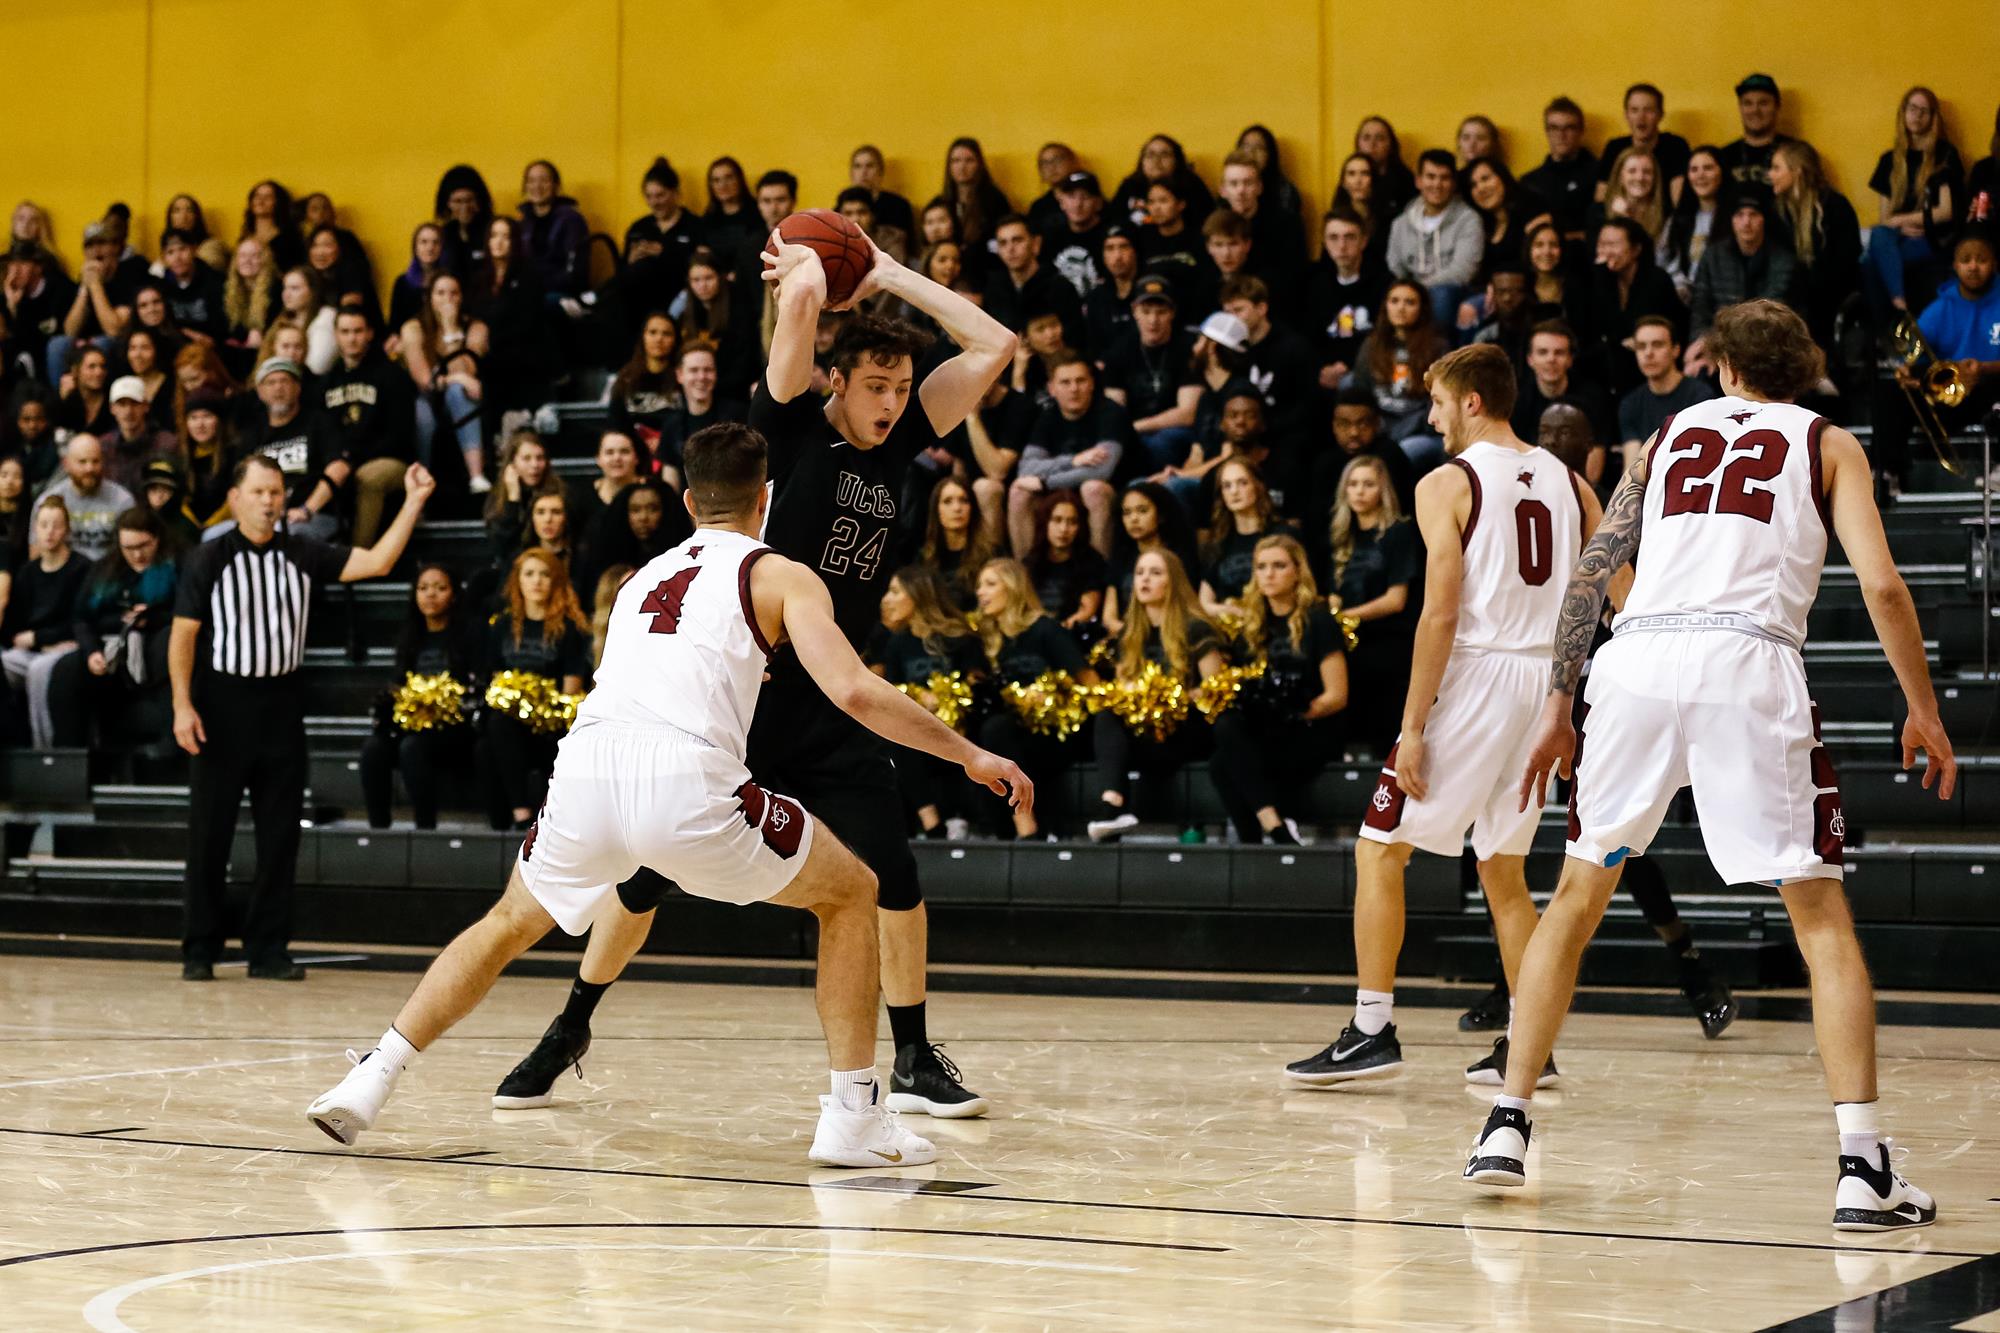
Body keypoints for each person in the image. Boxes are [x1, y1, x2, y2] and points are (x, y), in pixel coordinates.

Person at [306, 422, 1029, 1166]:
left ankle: (375, 1073)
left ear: (686, 499)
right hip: (685, 781)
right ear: (767, 500)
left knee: (507, 920)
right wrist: (969, 753)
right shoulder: (781, 573)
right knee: (852, 892)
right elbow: (852, 689)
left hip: (588, 766)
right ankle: (852, 1116)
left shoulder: (638, 578)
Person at [488, 227, 1018, 1119]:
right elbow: (798, 322)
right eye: (876, 386)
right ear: (836, 382)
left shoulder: (905, 440)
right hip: (744, 697)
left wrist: (887, 272)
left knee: (895, 871)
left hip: (833, 694)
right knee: (646, 877)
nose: (892, 403)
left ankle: (917, 1054)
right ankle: (570, 1022)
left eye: (900, 387)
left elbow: (995, 344)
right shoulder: (787, 432)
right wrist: (806, 280)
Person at [1472, 300, 1951, 1231]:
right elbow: (1884, 585)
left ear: (1723, 369)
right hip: (1747, 657)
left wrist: (1560, 701)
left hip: (1639, 655)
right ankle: (1862, 1167)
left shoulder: (1667, 433)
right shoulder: (1826, 441)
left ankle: (1507, 1120)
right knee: (1817, 912)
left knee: (1576, 895)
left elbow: (1593, 567)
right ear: (1803, 371)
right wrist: (1922, 709)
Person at [1286, 342, 1599, 1089]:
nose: (1431, 418)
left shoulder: (1447, 481)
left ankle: (1371, 1028)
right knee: (1503, 869)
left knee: (1378, 847)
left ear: (1472, 401)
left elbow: (1441, 613)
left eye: (1436, 402)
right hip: (1547, 680)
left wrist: (1415, 727)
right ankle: (1531, 1042)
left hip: (1482, 675)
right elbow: (1613, 583)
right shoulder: (1569, 480)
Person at [173, 456, 433, 980]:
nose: (270, 500)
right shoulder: (208, 558)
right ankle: (200, 948)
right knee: (210, 833)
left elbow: (378, 562)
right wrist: (183, 705)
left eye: (277, 491)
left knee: (279, 834)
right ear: (236, 497)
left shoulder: (304, 552)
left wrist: (414, 500)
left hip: (282, 706)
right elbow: (183, 635)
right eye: (260, 491)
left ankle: (267, 950)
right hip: (222, 707)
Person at [1207, 533, 1346, 845]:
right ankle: (1271, 829)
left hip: (1311, 726)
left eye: (1279, 566)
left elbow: (1337, 694)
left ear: (1298, 571)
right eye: (1261, 567)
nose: (1268, 574)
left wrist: (1293, 714)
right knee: (1223, 742)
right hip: (1268, 729)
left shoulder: (1318, 618)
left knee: (1224, 762)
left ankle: (1257, 839)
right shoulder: (1253, 623)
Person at [1083, 549, 1228, 842]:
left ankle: (1113, 809)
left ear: (1173, 581)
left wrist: (1173, 698)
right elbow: (1123, 688)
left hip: (1186, 732)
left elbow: (1218, 690)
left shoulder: (1196, 628)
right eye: (1140, 573)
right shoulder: (1129, 634)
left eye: (1155, 573)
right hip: (1145, 737)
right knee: (1106, 715)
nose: (1145, 579)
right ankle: (1112, 809)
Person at [969, 557, 1095, 840]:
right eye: (979, 586)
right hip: (1007, 736)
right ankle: (999, 826)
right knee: (990, 731)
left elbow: (1089, 682)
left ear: (1013, 588)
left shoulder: (1045, 629)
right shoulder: (984, 640)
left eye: (990, 584)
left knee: (996, 731)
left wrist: (1053, 697)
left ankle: (1026, 825)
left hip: (1053, 733)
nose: (980, 592)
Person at [1876, 227, 2000, 490]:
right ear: (1955, 266)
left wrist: (1984, 369)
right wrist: (1907, 372)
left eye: (1981, 260)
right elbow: (1914, 353)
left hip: (1989, 389)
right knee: (1892, 394)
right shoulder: (1941, 306)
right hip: (1949, 395)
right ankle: (1888, 473)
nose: (1973, 267)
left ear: (1994, 264)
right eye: (1966, 260)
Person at [45, 506, 176, 750]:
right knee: (66, 670)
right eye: (129, 548)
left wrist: (151, 617)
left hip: (157, 641)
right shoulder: (105, 569)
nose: (137, 555)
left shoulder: (175, 565)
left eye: (143, 546)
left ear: (156, 539)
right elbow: (82, 618)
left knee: (170, 643)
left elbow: (186, 612)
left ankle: (169, 745)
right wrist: (92, 651)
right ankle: (69, 756)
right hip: (110, 645)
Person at [479, 547, 591, 828]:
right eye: (529, 574)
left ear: (556, 581)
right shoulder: (502, 626)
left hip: (549, 726)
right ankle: (516, 815)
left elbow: (570, 695)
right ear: (517, 580)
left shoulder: (569, 629)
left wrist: (539, 710)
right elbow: (495, 686)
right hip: (509, 723)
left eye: (544, 574)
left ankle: (536, 817)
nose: (537, 581)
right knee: (489, 736)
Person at [359, 565, 477, 829]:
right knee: (374, 748)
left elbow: (474, 688)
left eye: (440, 588)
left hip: (454, 728)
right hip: (414, 724)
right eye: (423, 588)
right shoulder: (410, 636)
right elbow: (398, 686)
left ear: (454, 595)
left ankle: (425, 828)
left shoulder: (468, 635)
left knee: (412, 747)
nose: (430, 595)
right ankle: (378, 828)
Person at [872, 565, 986, 838]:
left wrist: (951, 701)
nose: (887, 599)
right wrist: (917, 699)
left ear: (918, 594)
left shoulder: (961, 638)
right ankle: (931, 821)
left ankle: (956, 815)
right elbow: (893, 690)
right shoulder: (897, 644)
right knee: (895, 736)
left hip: (961, 728)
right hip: (917, 733)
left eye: (896, 591)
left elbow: (980, 686)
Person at [1323, 453, 1418, 756]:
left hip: (1389, 637)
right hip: (1350, 637)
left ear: (1383, 490)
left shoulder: (1399, 532)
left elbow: (1396, 600)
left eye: (1368, 484)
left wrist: (1344, 616)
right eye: (1352, 484)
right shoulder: (1341, 536)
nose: (1359, 491)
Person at [1007, 356, 1128, 558]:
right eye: (1065, 382)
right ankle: (1026, 574)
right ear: (1052, 388)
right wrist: (1073, 461)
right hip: (1062, 494)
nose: (1074, 389)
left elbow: (1101, 471)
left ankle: (1097, 578)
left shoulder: (1111, 413)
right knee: (1019, 490)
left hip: (1115, 492)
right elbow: (1026, 469)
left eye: (1080, 381)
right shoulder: (1047, 417)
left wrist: (1046, 482)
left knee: (1093, 488)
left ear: (1092, 384)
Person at [1863, 86, 1965, 325]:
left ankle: (1893, 321)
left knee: (1870, 262)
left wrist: (1900, 221)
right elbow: (1884, 218)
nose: (1917, 115)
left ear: (1933, 117)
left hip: (1931, 238)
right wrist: (1898, 227)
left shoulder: (1944, 154)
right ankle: (1899, 307)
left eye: (1924, 111)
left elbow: (1944, 212)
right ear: (1903, 112)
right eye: (1912, 108)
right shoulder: (1890, 159)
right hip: (1898, 237)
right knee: (1877, 238)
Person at [317, 308, 415, 546]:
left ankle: (360, 556)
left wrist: (353, 458)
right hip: (342, 460)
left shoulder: (393, 375)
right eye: (345, 331)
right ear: (336, 335)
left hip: (391, 461)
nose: (352, 338)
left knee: (368, 477)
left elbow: (400, 435)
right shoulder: (327, 380)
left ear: (370, 333)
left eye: (358, 331)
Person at [1686, 189, 1801, 374]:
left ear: (1764, 219)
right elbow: (1700, 307)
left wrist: (1721, 347)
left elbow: (1771, 312)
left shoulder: (1783, 259)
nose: (1746, 222)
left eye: (1753, 214)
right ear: (1731, 220)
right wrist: (1703, 342)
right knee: (1697, 369)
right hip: (1718, 347)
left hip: (1768, 348)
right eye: (1739, 215)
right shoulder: (1713, 256)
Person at [1, 497, 87, 745]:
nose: (50, 532)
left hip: (68, 648)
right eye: (44, 525)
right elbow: (13, 626)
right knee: (4, 663)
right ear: (35, 529)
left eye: (57, 525)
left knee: (40, 672)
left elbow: (81, 620)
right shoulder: (27, 572)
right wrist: (34, 642)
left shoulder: (81, 568)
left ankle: (45, 751)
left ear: (67, 530)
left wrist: (40, 639)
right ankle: (13, 743)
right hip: (32, 650)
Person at [400, 271, 490, 492]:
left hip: (462, 400)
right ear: (430, 297)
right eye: (440, 293)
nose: (447, 299)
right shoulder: (413, 328)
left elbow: (468, 370)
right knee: (423, 413)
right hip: (426, 397)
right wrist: (457, 377)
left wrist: (451, 332)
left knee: (458, 391)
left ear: (462, 297)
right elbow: (424, 381)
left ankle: (476, 475)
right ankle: (419, 486)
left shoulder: (476, 328)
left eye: (453, 293)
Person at [1769, 140, 1863, 353]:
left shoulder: (1836, 206)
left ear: (1797, 171)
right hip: (1790, 297)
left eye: (1777, 168)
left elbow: (1846, 262)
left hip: (1830, 298)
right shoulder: (1776, 212)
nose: (1770, 174)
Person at [1100, 275, 1200, 473]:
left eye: (1161, 312)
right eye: (1146, 312)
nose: (1153, 320)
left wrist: (1136, 427)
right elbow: (1115, 408)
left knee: (1160, 443)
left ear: (1172, 313)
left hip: (1174, 431)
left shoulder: (1187, 348)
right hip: (1133, 431)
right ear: (1134, 311)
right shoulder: (1119, 351)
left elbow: (1187, 414)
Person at [1582, 218, 1687, 399]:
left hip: (1649, 365)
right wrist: (1601, 277)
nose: (1606, 251)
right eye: (1602, 244)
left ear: (1636, 249)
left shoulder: (1656, 280)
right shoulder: (1598, 279)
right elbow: (1599, 329)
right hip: (1610, 368)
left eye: (1613, 244)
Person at [1511, 321, 1616, 487]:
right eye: (1543, 352)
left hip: (1581, 489)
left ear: (1570, 359)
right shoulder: (1517, 400)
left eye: (1559, 353)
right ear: (1530, 359)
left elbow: (1593, 472)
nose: (1551, 359)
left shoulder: (1594, 398)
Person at [1387, 150, 1485, 326]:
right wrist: (1409, 292)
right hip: (1411, 293)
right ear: (1418, 181)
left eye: (1444, 178)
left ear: (1453, 183)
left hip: (1453, 293)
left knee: (1441, 295)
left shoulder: (1469, 220)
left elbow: (1463, 271)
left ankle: (1439, 352)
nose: (1437, 184)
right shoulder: (1400, 223)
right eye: (1430, 177)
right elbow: (1395, 265)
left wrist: (1419, 290)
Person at [1352, 280, 1445, 463]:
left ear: (1422, 309)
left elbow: (1439, 401)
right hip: (1379, 428)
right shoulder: (1371, 344)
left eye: (1409, 302)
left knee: (1399, 453)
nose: (1400, 308)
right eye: (1394, 301)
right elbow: (1361, 393)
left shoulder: (1438, 347)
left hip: (1419, 431)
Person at [1100, 479, 1200, 634]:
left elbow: (1188, 607)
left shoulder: (1180, 557)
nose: (1133, 519)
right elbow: (1109, 617)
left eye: (1142, 510)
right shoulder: (1121, 557)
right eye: (1127, 512)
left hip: (1171, 634)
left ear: (1161, 516)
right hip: (1127, 636)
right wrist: (1131, 635)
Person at [1198, 457, 1294, 617]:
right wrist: (1230, 612)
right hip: (1231, 626)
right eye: (1227, 486)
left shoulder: (1283, 536)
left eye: (1242, 483)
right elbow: (1205, 602)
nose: (1234, 491)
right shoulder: (1219, 542)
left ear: (1258, 486)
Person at [1617, 315, 1718, 467]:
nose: (1648, 353)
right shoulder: (1630, 403)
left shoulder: (1700, 397)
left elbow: (1703, 460)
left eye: (1657, 345)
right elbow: (1632, 467)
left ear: (1676, 350)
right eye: (1641, 346)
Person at [1309, 209, 1390, 389]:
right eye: (1333, 238)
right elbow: (1307, 336)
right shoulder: (1312, 283)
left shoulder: (1384, 284)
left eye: (1350, 237)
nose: (1342, 245)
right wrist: (1321, 368)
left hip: (1365, 368)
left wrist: (1346, 365)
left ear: (1363, 241)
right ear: (1324, 242)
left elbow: (1382, 337)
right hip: (1322, 370)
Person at [654, 341, 747, 486]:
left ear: (715, 374)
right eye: (694, 370)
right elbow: (670, 483)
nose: (702, 377)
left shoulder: (737, 416)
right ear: (679, 375)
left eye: (708, 370)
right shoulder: (672, 426)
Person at [983, 215, 1083, 347]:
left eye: (1017, 240)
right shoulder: (994, 289)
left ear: (1036, 244)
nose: (1010, 249)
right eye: (1003, 243)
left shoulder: (1060, 287)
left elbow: (1073, 339)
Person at [37, 434, 137, 562]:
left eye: (95, 461)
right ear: (66, 464)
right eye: (82, 462)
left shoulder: (123, 500)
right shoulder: (47, 501)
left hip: (108, 574)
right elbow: (38, 554)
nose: (89, 468)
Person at [1219, 149, 1306, 293]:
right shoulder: (1212, 226)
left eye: (1248, 183)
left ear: (1259, 187)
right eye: (1234, 184)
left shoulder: (1287, 224)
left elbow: (1293, 275)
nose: (1241, 190)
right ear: (1222, 190)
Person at [1021, 488, 1108, 630]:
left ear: (1080, 527)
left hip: (1071, 634)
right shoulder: (1031, 561)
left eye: (1072, 522)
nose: (1063, 529)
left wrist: (1057, 633)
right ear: (1045, 523)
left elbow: (1087, 611)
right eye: (1057, 520)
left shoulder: (1092, 562)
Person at [1521, 98, 1599, 245]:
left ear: (1581, 131)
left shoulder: (1600, 174)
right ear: (1546, 131)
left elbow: (1602, 230)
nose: (1561, 135)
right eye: (1554, 128)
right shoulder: (1530, 182)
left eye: (1569, 128)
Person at [914, 475, 997, 610]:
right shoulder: (924, 558)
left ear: (972, 508)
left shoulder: (992, 554)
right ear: (937, 511)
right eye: (947, 501)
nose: (957, 508)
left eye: (964, 501)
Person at [1598, 83, 1691, 202]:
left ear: (1660, 115)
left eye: (1649, 110)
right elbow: (1601, 198)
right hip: (1623, 216)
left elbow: (1679, 203)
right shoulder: (1614, 148)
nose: (1640, 117)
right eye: (1634, 110)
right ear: (1626, 115)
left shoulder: (1676, 146)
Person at [606, 312, 679, 463]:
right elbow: (617, 423)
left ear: (675, 340)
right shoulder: (625, 379)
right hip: (633, 458)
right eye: (653, 332)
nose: (659, 338)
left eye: (666, 333)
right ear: (643, 337)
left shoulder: (683, 377)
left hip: (675, 455)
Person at [1463, 158, 1553, 275]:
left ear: (1502, 177)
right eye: (1473, 185)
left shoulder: (1531, 207)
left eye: (1485, 179)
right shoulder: (1479, 223)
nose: (1480, 188)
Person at [1112, 134, 1214, 231]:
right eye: (1150, 155)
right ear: (1142, 161)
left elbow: (1207, 222)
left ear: (1177, 160)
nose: (1156, 160)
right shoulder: (1130, 186)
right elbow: (1114, 221)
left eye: (1164, 155)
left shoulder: (1191, 184)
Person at [1041, 171, 1109, 300]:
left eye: (1085, 197)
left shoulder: (1111, 237)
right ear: (1062, 202)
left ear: (1098, 203)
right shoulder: (1052, 237)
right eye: (1071, 196)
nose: (1078, 204)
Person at [102, 375, 176, 495]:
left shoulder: (167, 444)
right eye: (122, 404)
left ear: (146, 406)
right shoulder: (103, 446)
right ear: (112, 408)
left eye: (134, 403)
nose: (128, 411)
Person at [1718, 73, 1794, 187]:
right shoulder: (1722, 157)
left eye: (1763, 103)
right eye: (1748, 103)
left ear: (1777, 107)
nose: (1755, 110)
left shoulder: (1796, 153)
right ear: (1740, 108)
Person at [846, 144, 915, 238]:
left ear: (880, 171)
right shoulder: (840, 208)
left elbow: (910, 247)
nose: (863, 172)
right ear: (851, 173)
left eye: (869, 166)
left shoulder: (899, 206)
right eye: (858, 166)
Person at [1354, 117, 1416, 217]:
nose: (1372, 144)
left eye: (1379, 138)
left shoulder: (1405, 180)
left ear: (1391, 145)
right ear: (1358, 144)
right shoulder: (1350, 176)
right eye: (1366, 137)